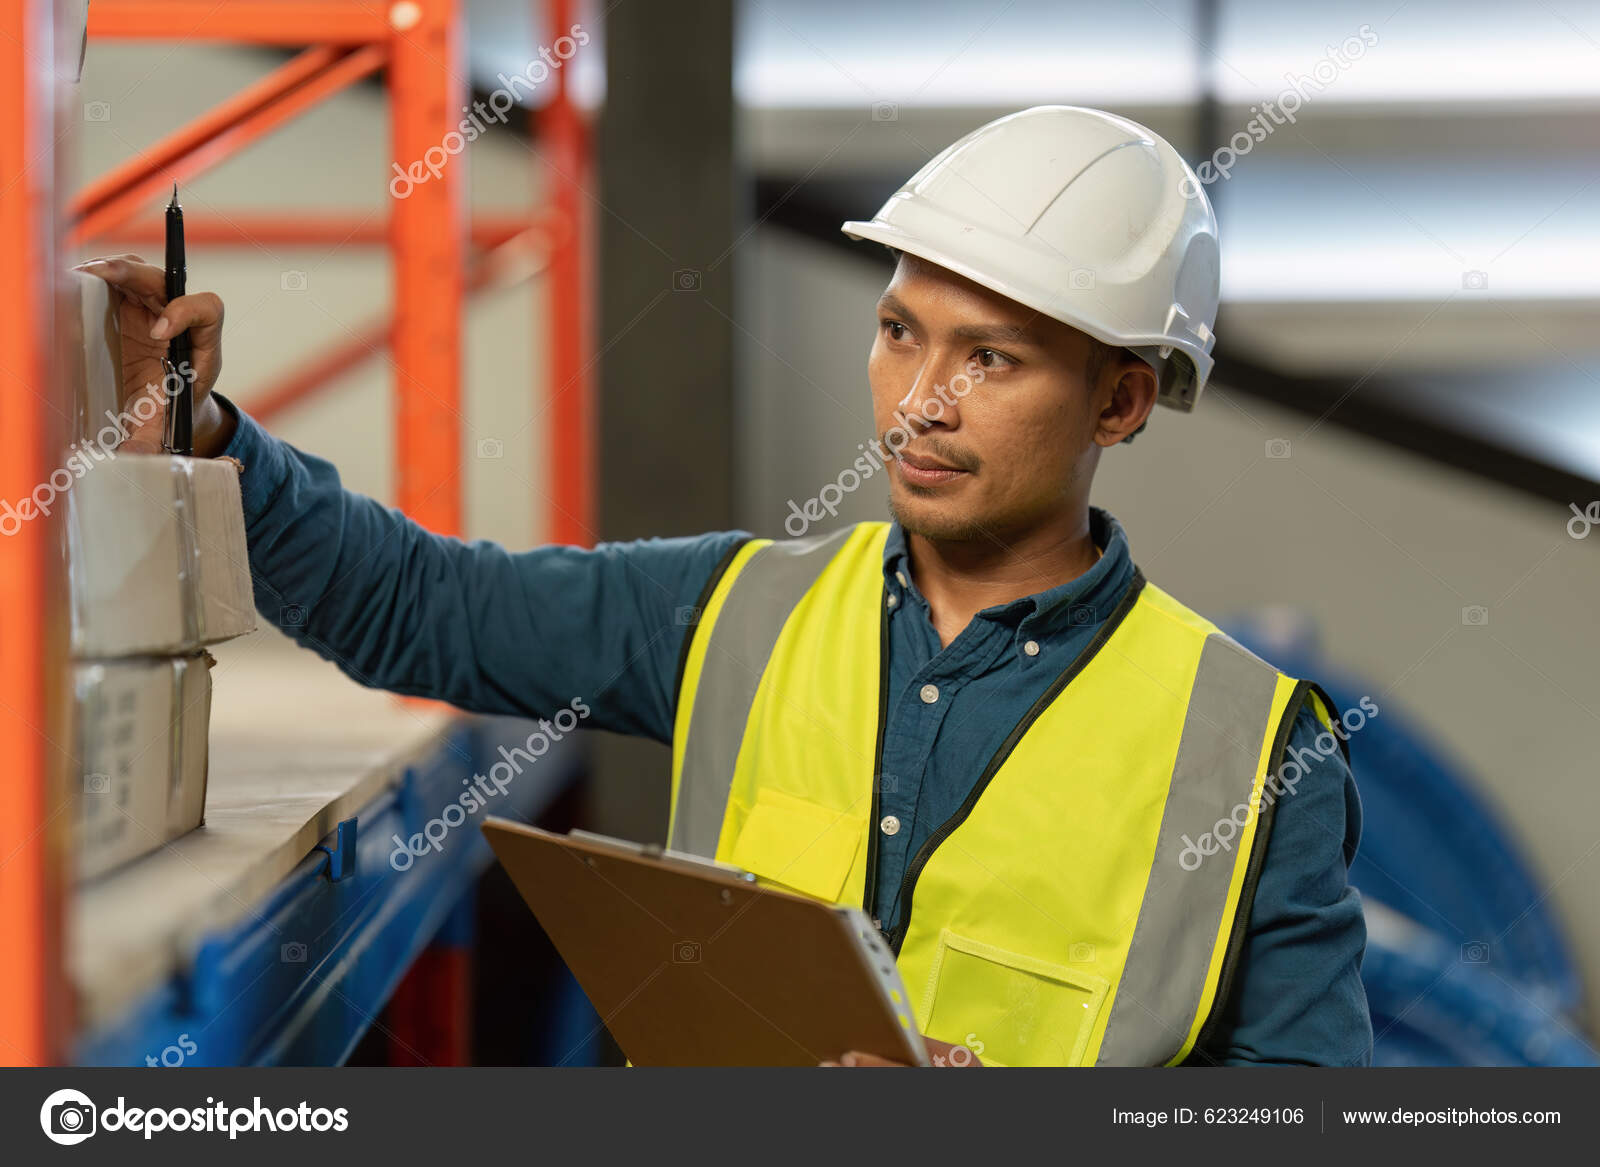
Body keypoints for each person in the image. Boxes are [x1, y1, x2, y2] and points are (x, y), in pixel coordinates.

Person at [77, 105, 1372, 1067]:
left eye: (993, 358)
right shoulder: (734, 613)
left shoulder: (1253, 746)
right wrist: (209, 437)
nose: (921, 403)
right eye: (899, 331)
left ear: (1123, 399)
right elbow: (423, 608)